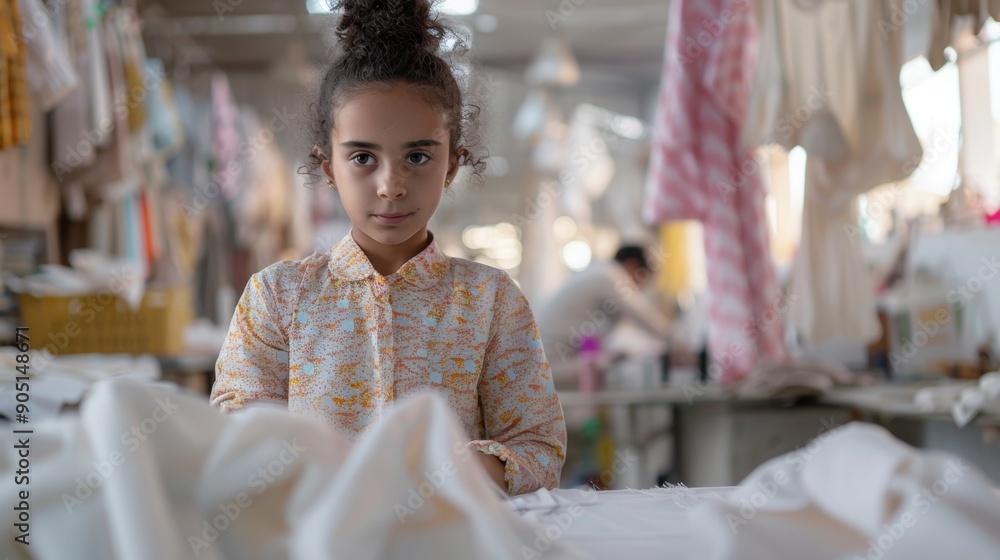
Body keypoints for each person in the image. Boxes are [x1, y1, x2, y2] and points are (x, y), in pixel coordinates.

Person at [209, 0, 565, 495]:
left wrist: (434, 471)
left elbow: (538, 450)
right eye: (362, 158)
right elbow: (235, 443)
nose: (391, 186)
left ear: (452, 165)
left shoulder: (492, 301)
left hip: (446, 532)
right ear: (328, 167)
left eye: (417, 156)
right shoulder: (276, 297)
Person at [537, 245, 678, 388]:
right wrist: (678, 341)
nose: (642, 287)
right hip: (550, 365)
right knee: (619, 375)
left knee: (617, 367)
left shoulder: (599, 272)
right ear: (632, 265)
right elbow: (643, 315)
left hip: (549, 362)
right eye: (644, 277)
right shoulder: (610, 276)